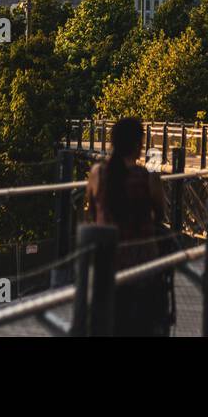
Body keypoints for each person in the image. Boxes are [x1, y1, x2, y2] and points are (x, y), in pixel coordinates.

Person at [85, 116, 172, 336]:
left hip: (107, 264)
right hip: (142, 267)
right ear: (137, 144)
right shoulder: (146, 177)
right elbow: (160, 213)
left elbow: (91, 213)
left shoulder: (98, 174)